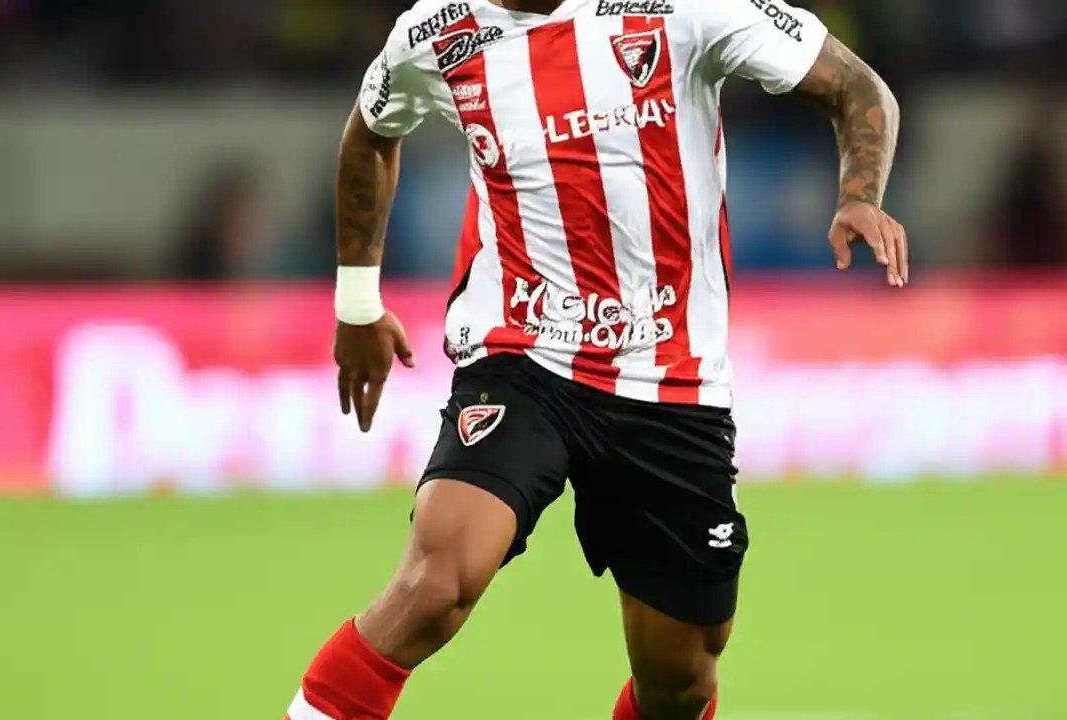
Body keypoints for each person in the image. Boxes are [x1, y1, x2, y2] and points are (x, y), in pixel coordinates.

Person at [287, 0, 906, 718]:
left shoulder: (688, 10)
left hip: (671, 377)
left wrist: (861, 195)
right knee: (436, 584)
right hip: (521, 355)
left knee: (680, 681)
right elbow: (370, 133)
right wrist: (357, 300)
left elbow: (858, 87)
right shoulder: (435, 32)